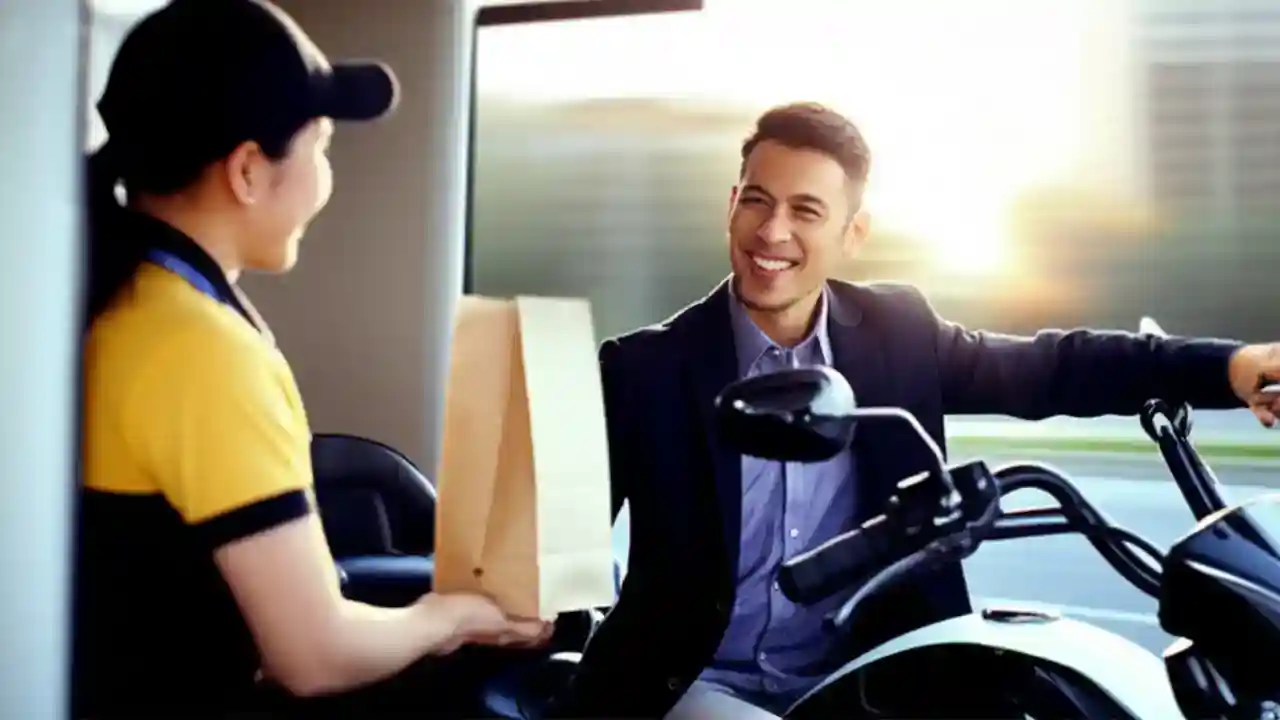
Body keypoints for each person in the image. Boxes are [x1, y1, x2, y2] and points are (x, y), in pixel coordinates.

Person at [558, 101, 1280, 718]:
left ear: (852, 234)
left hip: (871, 677)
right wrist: (530, 614)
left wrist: (1230, 367)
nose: (773, 232)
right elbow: (557, 550)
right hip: (697, 681)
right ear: (731, 205)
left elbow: (1052, 367)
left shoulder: (898, 334)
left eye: (806, 210)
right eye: (756, 200)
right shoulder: (644, 368)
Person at [74, 1, 549, 716]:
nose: (326, 177)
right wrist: (450, 617)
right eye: (321, 147)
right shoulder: (199, 349)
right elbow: (313, 655)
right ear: (246, 171)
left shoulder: (114, 303)